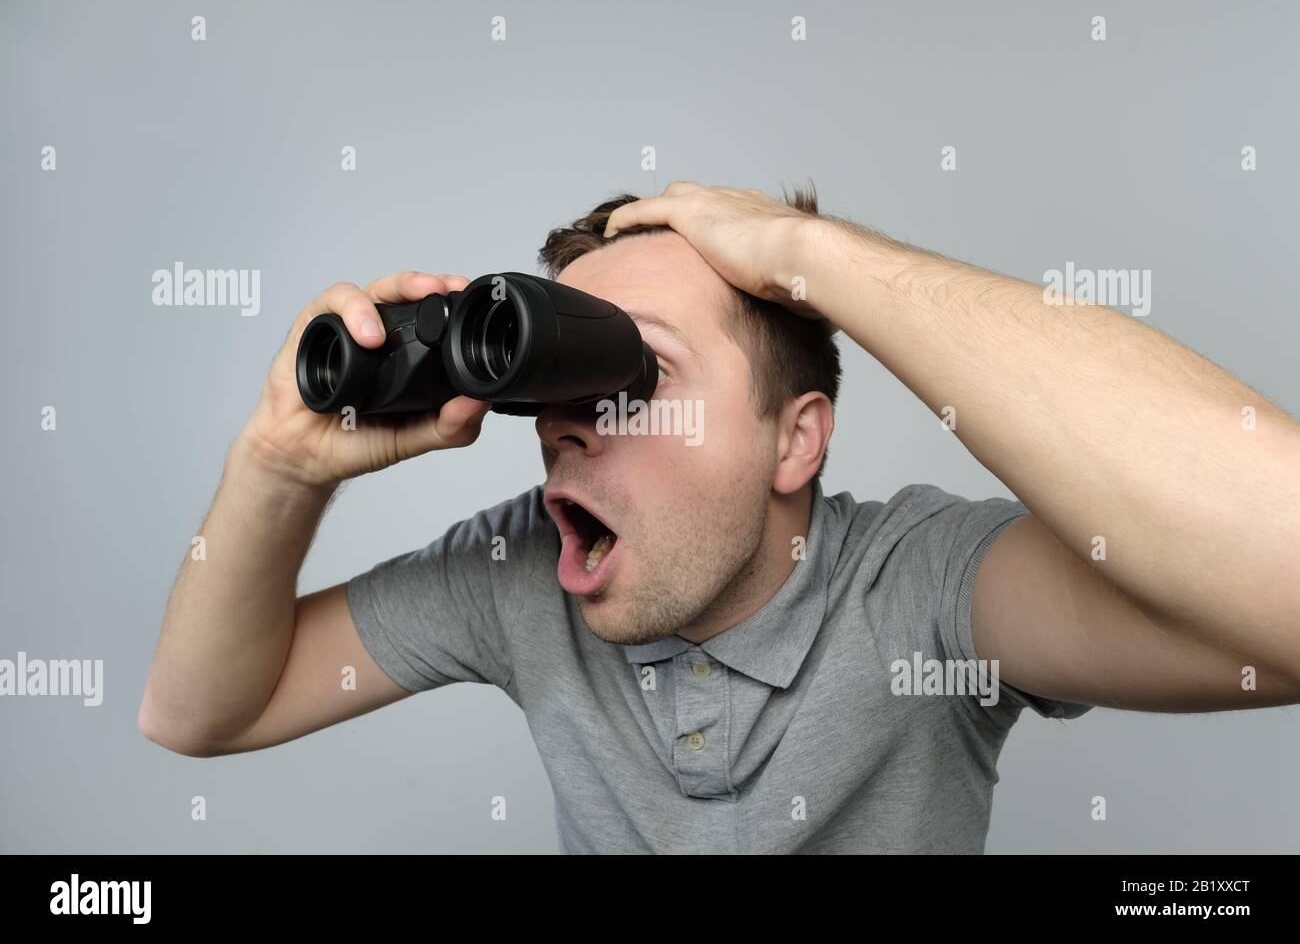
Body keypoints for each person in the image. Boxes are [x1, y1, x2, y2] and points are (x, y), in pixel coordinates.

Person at [139, 182, 1300, 853]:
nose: (567, 422)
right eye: (552, 383)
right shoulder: (520, 568)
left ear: (795, 438)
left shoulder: (921, 591)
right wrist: (279, 463)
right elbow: (198, 710)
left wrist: (817, 258)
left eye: (635, 374)